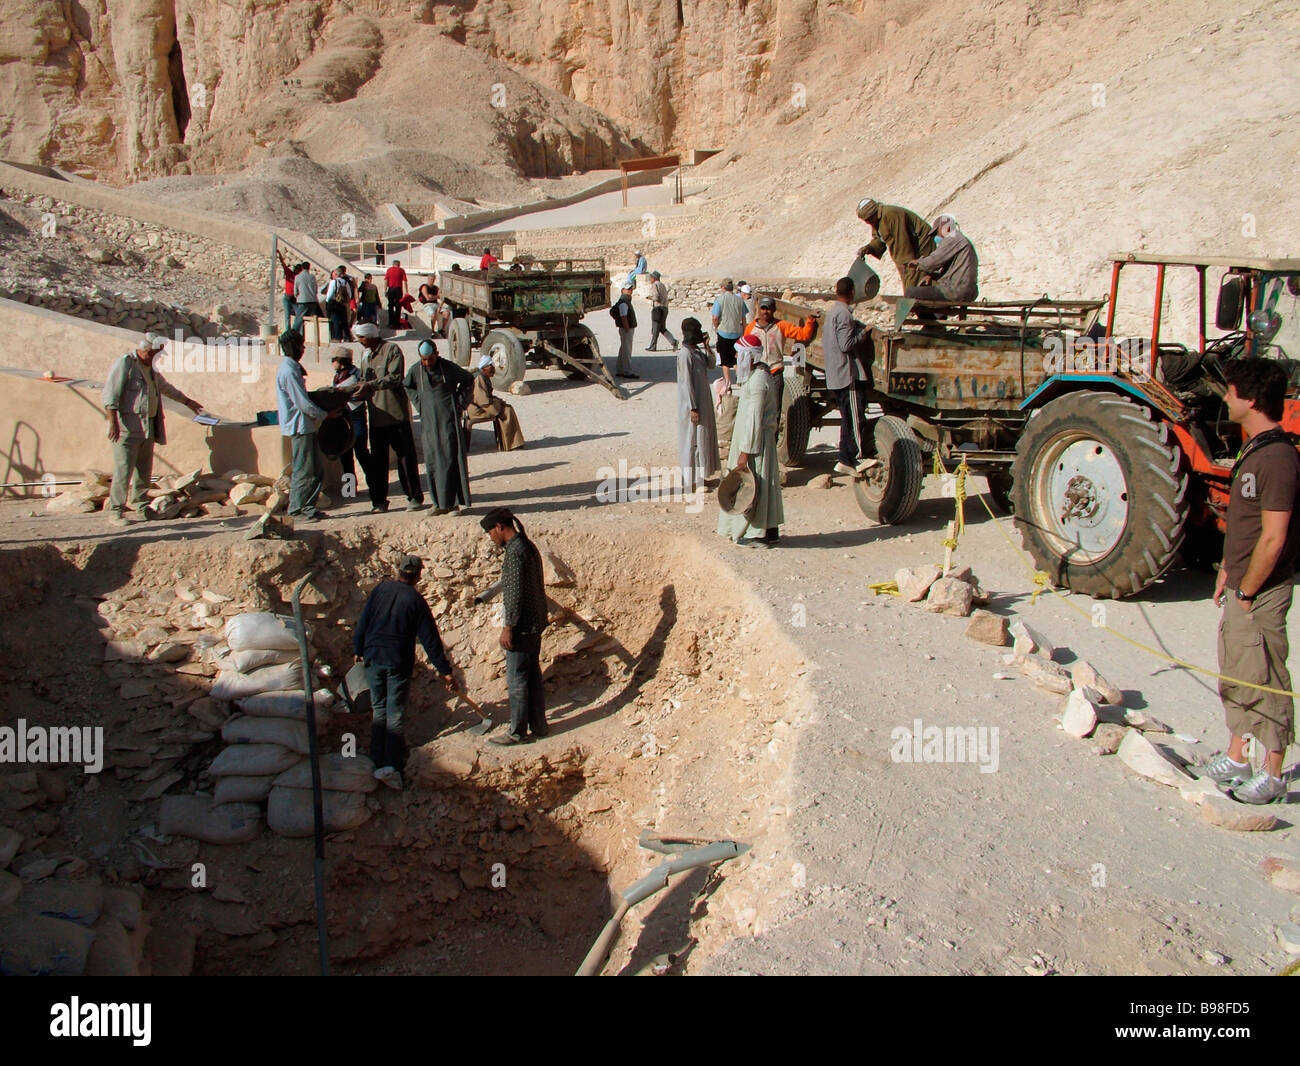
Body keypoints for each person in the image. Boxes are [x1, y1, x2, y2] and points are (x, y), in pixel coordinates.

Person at [1201, 359, 1300, 805]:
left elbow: (1275, 537)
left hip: (1260, 591)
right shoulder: (1256, 450)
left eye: (1232, 390)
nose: (1225, 397)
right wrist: (1228, 570)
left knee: (1266, 676)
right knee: (1238, 671)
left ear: (1252, 400)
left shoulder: (1278, 459)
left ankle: (1273, 773)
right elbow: (1245, 525)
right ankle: (1238, 756)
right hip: (1242, 583)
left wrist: (1248, 589)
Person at [353, 555, 458, 789]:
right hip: (396, 660)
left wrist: (357, 647)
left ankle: (376, 760)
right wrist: (445, 671)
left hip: (372, 655)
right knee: (395, 714)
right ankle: (391, 766)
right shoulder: (416, 600)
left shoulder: (381, 590)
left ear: (397, 570)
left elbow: (364, 620)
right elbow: (430, 640)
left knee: (379, 710)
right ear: (418, 575)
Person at [102, 333, 205, 527]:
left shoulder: (150, 370)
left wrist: (187, 402)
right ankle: (116, 510)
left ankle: (141, 506)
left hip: (146, 426)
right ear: (147, 351)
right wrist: (113, 422)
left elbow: (165, 388)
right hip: (127, 427)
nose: (156, 358)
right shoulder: (126, 364)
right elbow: (111, 395)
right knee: (123, 470)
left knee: (143, 470)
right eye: (154, 354)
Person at [480, 507, 549, 745]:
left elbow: (514, 593)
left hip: (521, 626)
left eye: (490, 532)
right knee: (533, 676)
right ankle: (539, 726)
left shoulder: (514, 552)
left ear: (500, 527)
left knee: (517, 680)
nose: (491, 537)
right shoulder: (528, 546)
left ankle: (517, 732)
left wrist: (508, 626)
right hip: (535, 623)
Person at [717, 337, 783, 548]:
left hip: (755, 445)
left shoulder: (758, 383)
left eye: (739, 354)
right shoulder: (757, 376)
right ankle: (769, 530)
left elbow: (754, 421)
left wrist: (745, 452)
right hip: (751, 440)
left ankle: (757, 534)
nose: (736, 357)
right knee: (763, 485)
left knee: (755, 487)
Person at [354, 321, 424, 512]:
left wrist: (371, 385)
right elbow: (363, 380)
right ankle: (379, 501)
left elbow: (394, 378)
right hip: (376, 415)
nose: (360, 341)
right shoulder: (365, 355)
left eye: (361, 337)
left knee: (405, 458)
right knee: (378, 462)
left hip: (395, 415)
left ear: (370, 336)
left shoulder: (391, 350)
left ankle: (414, 497)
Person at [405, 339, 474, 514]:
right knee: (432, 461)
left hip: (448, 420)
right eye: (424, 360)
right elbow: (408, 386)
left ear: (436, 354)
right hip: (428, 422)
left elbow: (468, 379)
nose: (427, 363)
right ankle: (438, 503)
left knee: (451, 459)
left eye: (430, 359)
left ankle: (454, 504)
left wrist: (459, 402)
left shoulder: (448, 368)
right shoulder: (415, 371)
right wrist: (419, 403)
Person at [275, 329, 334, 521]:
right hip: (299, 426)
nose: (303, 349)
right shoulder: (290, 371)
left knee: (315, 469)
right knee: (304, 470)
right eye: (301, 345)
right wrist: (325, 415)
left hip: (304, 426)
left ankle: (308, 507)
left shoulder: (291, 368)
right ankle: (297, 509)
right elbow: (303, 403)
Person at [822, 277, 877, 477]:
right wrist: (863, 333)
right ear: (852, 292)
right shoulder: (844, 314)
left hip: (836, 373)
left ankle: (845, 459)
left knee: (847, 417)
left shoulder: (833, 312)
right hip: (846, 374)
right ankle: (858, 458)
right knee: (855, 417)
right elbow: (846, 344)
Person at [743, 294, 818, 414]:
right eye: (763, 308)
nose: (766, 311)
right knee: (756, 409)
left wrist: (810, 321)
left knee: (775, 410)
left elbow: (803, 334)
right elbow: (744, 350)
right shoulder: (751, 328)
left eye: (768, 308)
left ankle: (774, 433)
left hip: (775, 372)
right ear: (758, 309)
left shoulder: (781, 326)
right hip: (757, 373)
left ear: (774, 310)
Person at [855, 198, 936, 291]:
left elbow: (902, 242)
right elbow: (880, 237)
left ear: (874, 213)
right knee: (910, 277)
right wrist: (869, 247)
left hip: (921, 243)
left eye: (868, 219)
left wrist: (905, 265)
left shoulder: (890, 215)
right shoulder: (877, 220)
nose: (867, 222)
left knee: (914, 274)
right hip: (908, 245)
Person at [677, 318, 719, 493]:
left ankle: (700, 478)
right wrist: (693, 407)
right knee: (691, 442)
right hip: (692, 406)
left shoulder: (696, 351)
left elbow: (711, 364)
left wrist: (707, 346)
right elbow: (686, 383)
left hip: (703, 401)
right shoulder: (685, 354)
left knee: (702, 440)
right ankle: (690, 481)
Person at [905, 214, 979, 303]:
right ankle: (939, 316)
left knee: (910, 292)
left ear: (946, 228)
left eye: (937, 232)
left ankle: (928, 317)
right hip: (969, 291)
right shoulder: (962, 240)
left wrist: (918, 263)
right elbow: (955, 272)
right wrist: (933, 276)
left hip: (956, 290)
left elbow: (932, 262)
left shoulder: (952, 238)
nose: (937, 236)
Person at [330, 348, 371, 500]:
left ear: (341, 361)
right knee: (345, 455)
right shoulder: (337, 377)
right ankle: (349, 489)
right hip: (343, 418)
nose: (333, 363)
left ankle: (374, 484)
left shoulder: (356, 375)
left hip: (356, 416)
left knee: (361, 452)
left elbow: (357, 395)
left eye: (334, 359)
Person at [468, 354, 525, 451]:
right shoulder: (479, 379)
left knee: (507, 407)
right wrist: (497, 408)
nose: (494, 369)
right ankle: (510, 444)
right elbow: (482, 400)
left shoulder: (483, 377)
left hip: (483, 406)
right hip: (478, 409)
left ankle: (513, 442)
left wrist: (498, 402)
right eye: (492, 366)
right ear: (485, 368)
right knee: (506, 411)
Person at [711, 278, 749, 385]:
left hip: (723, 332)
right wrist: (744, 332)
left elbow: (715, 317)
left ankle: (727, 382)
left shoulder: (719, 300)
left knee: (725, 359)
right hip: (737, 332)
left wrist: (716, 326)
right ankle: (739, 379)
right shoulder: (740, 300)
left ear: (723, 287)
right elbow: (744, 318)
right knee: (735, 357)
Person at [646, 271, 680, 352]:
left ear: (653, 278)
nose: (649, 279)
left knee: (655, 328)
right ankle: (673, 341)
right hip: (665, 308)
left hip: (658, 309)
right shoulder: (662, 285)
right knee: (662, 328)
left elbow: (656, 297)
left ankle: (653, 346)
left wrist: (650, 298)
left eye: (650, 278)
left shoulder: (655, 285)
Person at [612, 283, 638, 379]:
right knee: (627, 350)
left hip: (625, 328)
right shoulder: (624, 302)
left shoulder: (624, 301)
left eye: (630, 289)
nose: (630, 291)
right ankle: (627, 371)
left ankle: (620, 369)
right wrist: (627, 328)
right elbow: (624, 316)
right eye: (628, 289)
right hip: (626, 329)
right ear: (622, 290)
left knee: (623, 348)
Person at [323, 266, 353, 342]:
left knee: (335, 320)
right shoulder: (345, 282)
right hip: (343, 303)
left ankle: (337, 337)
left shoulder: (333, 282)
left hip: (334, 303)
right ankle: (347, 337)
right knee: (344, 320)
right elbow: (349, 294)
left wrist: (327, 301)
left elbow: (330, 294)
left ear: (336, 274)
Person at [292, 262, 318, 334]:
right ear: (309, 267)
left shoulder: (298, 277)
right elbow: (316, 290)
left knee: (298, 320)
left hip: (302, 301)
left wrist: (297, 296)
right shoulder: (312, 277)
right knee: (311, 321)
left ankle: (293, 334)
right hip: (312, 300)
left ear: (302, 268)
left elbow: (295, 292)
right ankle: (311, 335)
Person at [276, 251, 299, 331]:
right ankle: (288, 330)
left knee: (298, 314)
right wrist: (279, 255)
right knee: (287, 315)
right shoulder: (289, 273)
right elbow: (283, 264)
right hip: (288, 297)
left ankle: (295, 330)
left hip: (294, 298)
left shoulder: (299, 277)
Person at [384, 259, 408, 329]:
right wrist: (406, 291)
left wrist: (385, 290)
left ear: (393, 264)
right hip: (398, 289)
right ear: (399, 264)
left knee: (390, 306)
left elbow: (386, 281)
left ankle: (390, 322)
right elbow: (405, 281)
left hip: (391, 289)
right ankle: (397, 323)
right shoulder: (401, 270)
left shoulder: (389, 270)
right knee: (398, 306)